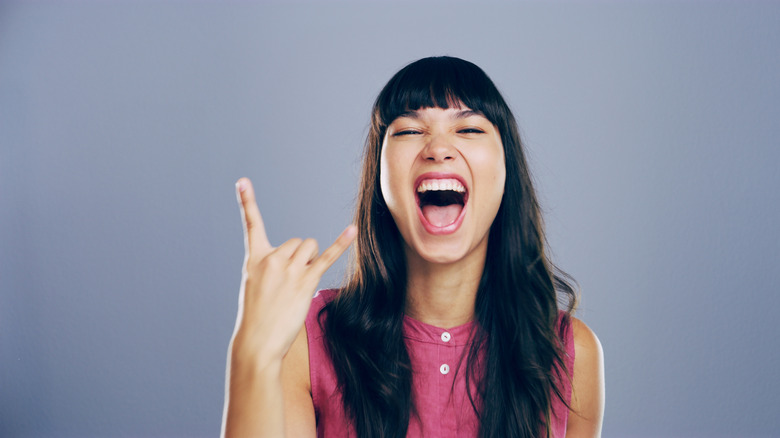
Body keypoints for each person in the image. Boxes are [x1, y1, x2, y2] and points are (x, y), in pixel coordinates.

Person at [221, 56, 604, 438]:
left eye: (469, 128)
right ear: (380, 174)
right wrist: (252, 354)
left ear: (507, 170)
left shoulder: (571, 354)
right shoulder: (306, 340)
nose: (438, 148)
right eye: (408, 131)